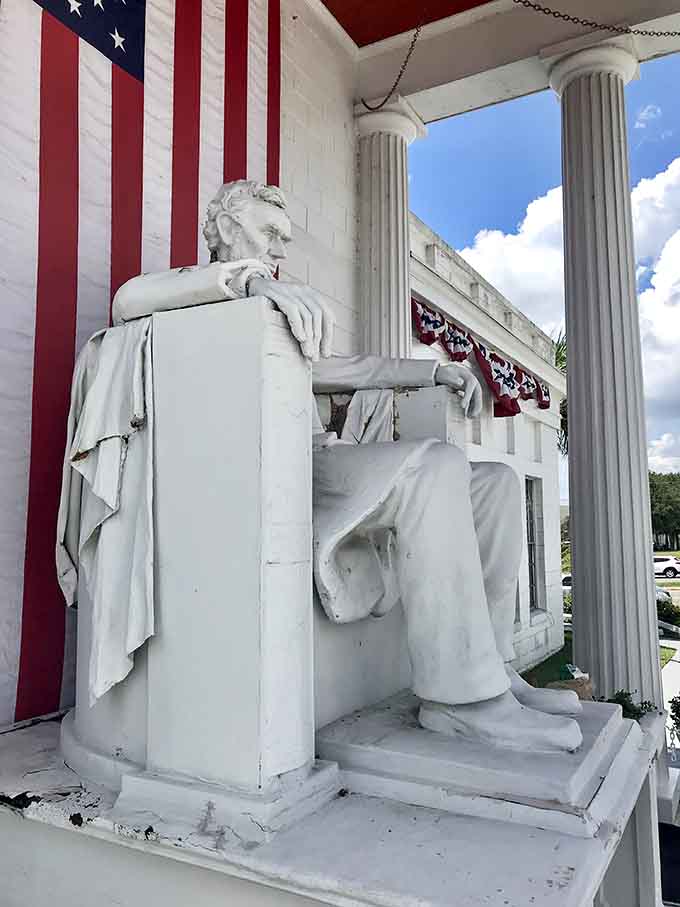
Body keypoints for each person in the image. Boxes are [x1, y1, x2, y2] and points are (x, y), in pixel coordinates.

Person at [111, 180, 582, 753]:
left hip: (318, 464)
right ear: (229, 229)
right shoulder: (196, 297)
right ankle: (464, 702)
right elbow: (126, 300)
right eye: (270, 235)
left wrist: (431, 373)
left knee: (496, 484)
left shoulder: (274, 306)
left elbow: (340, 369)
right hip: (267, 473)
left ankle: (492, 667)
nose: (280, 251)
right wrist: (251, 282)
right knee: (431, 467)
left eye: (284, 239)